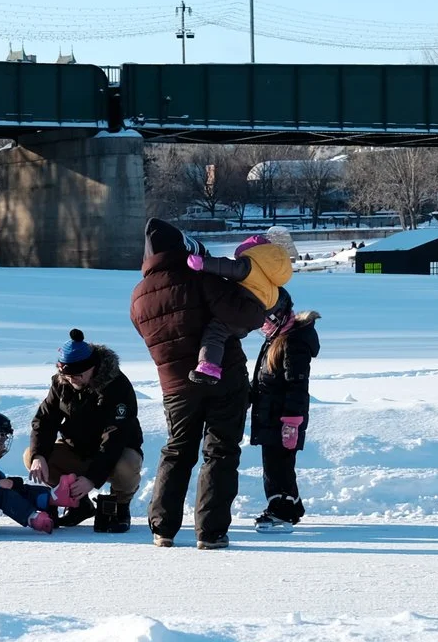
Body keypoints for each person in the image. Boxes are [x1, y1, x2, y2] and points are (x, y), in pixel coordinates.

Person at [131, 218, 266, 549]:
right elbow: (247, 314)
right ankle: (211, 531)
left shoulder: (138, 296)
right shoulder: (200, 276)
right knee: (220, 451)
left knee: (177, 450)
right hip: (224, 375)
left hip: (175, 385)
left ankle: (162, 528)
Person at [27, 329, 144, 534]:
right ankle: (79, 504)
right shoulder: (61, 383)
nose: (72, 380)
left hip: (114, 453)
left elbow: (114, 437)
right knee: (32, 457)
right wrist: (39, 455)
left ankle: (119, 507)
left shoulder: (117, 385)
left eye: (78, 375)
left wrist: (91, 479)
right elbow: (45, 419)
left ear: (93, 367)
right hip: (77, 449)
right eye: (67, 374)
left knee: (129, 462)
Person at [185, 227, 296, 382]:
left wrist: (203, 263)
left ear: (252, 252)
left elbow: (226, 267)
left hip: (242, 308)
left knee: (216, 332)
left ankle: (209, 366)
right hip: (254, 318)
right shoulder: (271, 283)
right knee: (223, 332)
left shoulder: (248, 266)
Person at [249, 303, 320, 531]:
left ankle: (281, 511)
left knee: (277, 467)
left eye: (266, 321)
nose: (263, 326)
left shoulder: (292, 341)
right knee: (277, 463)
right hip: (270, 415)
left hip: (283, 419)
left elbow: (297, 384)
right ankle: (293, 506)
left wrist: (291, 421)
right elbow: (265, 378)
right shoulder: (275, 338)